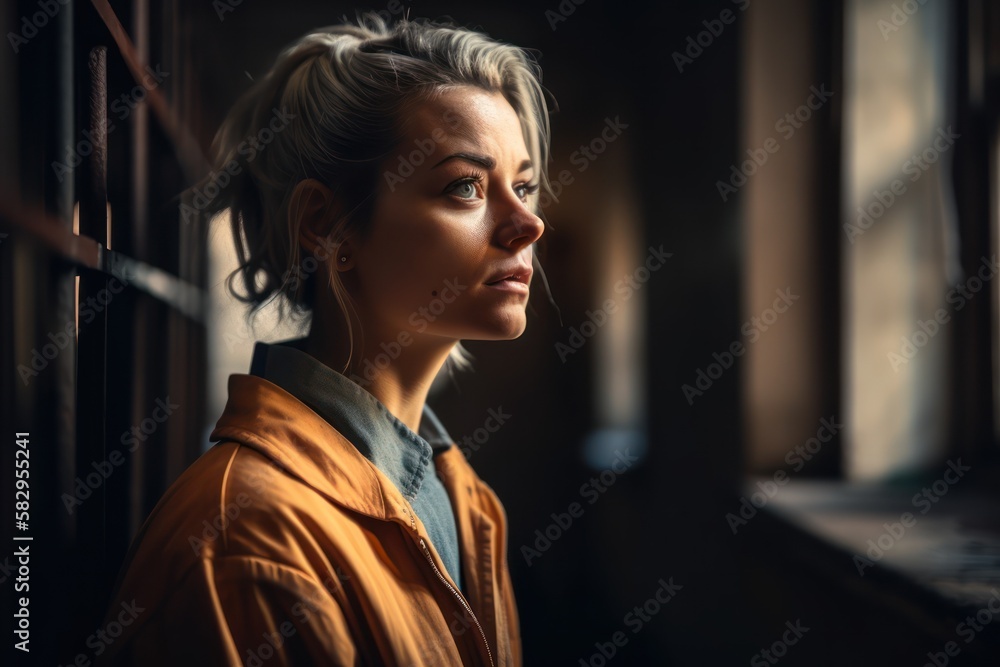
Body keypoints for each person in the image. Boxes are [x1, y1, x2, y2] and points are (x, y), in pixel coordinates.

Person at [95, 11, 554, 666]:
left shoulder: (465, 498)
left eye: (525, 185)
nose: (528, 223)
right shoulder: (242, 542)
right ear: (325, 224)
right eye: (466, 187)